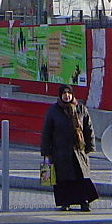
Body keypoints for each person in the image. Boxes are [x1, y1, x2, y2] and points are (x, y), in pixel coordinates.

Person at [40, 84, 98, 212]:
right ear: (60, 95)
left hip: (78, 151)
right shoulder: (53, 111)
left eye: (69, 93)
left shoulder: (81, 108)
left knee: (81, 178)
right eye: (64, 93)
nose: (67, 96)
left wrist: (90, 147)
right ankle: (65, 202)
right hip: (60, 152)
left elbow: (89, 129)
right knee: (63, 179)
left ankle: (84, 202)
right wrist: (45, 151)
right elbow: (46, 132)